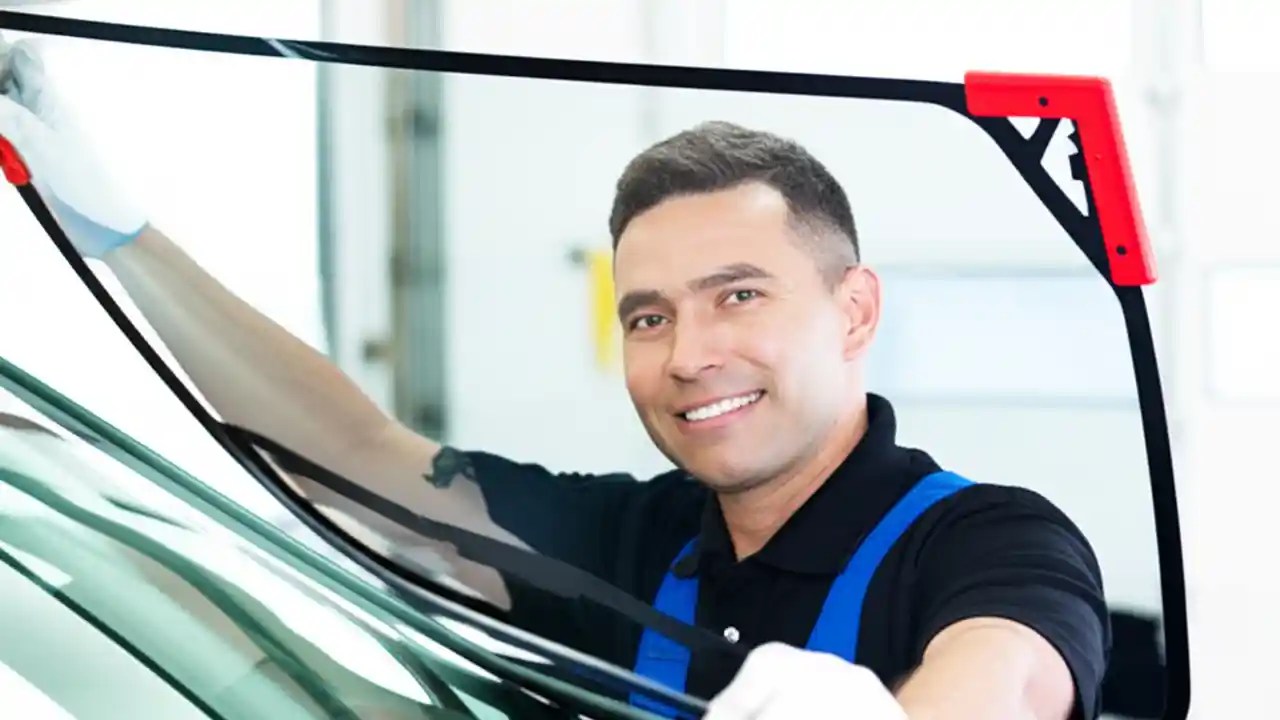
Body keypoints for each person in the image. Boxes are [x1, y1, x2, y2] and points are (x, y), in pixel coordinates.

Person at [0, 37, 1110, 720]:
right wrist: (119, 232)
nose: (686, 355)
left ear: (853, 310)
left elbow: (1004, 681)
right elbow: (359, 464)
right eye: (647, 316)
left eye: (737, 296)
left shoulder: (988, 542)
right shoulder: (639, 543)